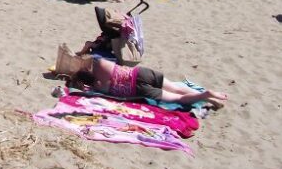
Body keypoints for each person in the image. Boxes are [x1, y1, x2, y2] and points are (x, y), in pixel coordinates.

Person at [64, 55, 228, 107]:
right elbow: (92, 57)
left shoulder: (98, 87)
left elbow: (89, 91)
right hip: (141, 73)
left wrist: (82, 86)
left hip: (139, 89)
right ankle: (206, 94)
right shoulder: (99, 63)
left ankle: (206, 96)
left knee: (178, 98)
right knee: (176, 88)